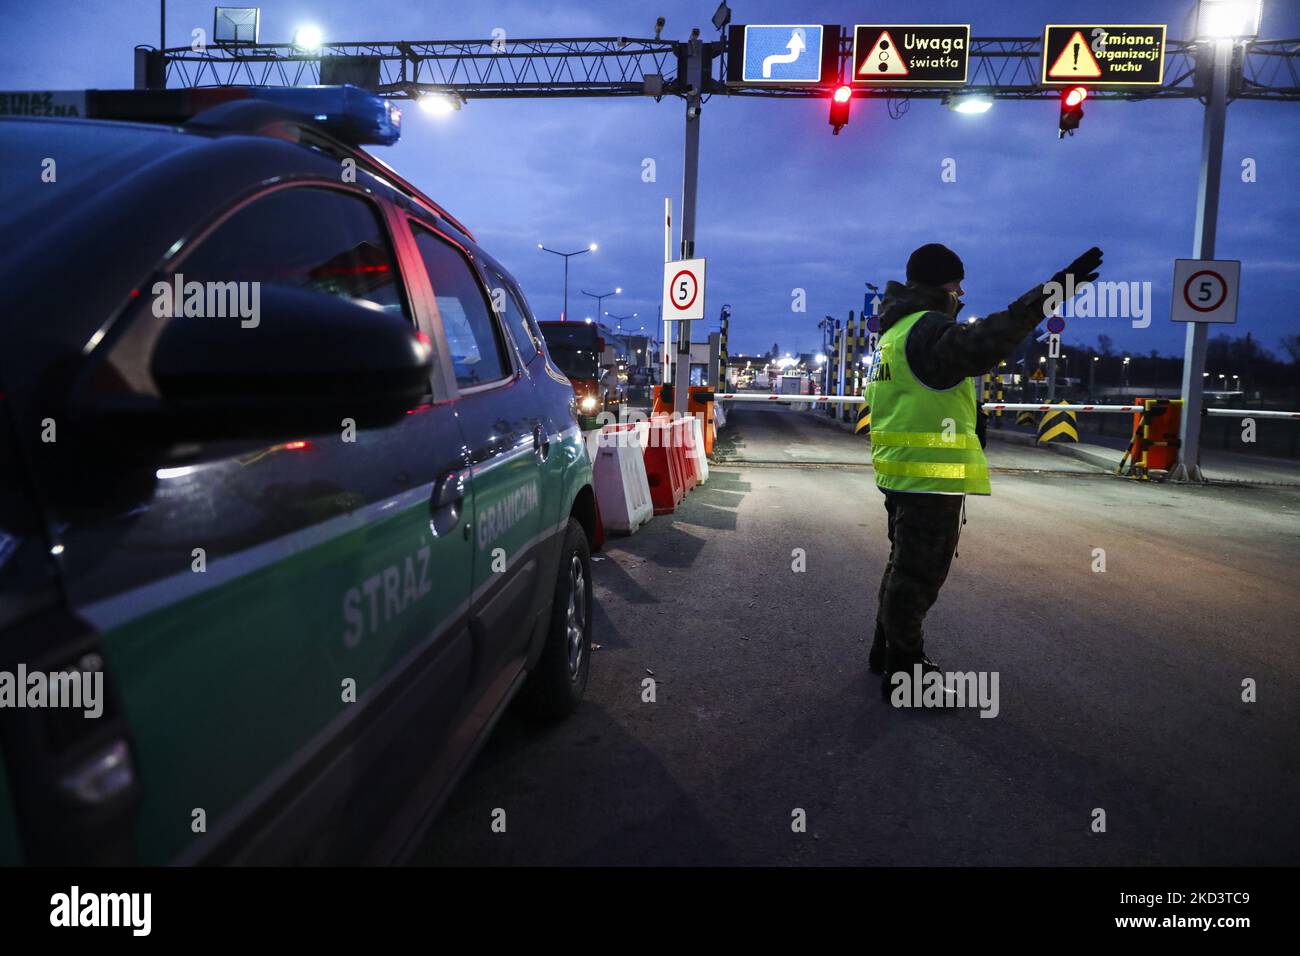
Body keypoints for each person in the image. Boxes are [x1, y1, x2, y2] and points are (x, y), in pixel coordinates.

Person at [865, 242, 1103, 702]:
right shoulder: (930, 329)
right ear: (944, 285)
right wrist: (1054, 292)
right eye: (958, 284)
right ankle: (907, 675)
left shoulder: (894, 333)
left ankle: (887, 652)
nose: (962, 293)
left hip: (901, 473)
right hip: (928, 477)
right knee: (918, 578)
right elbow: (991, 339)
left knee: (903, 567)